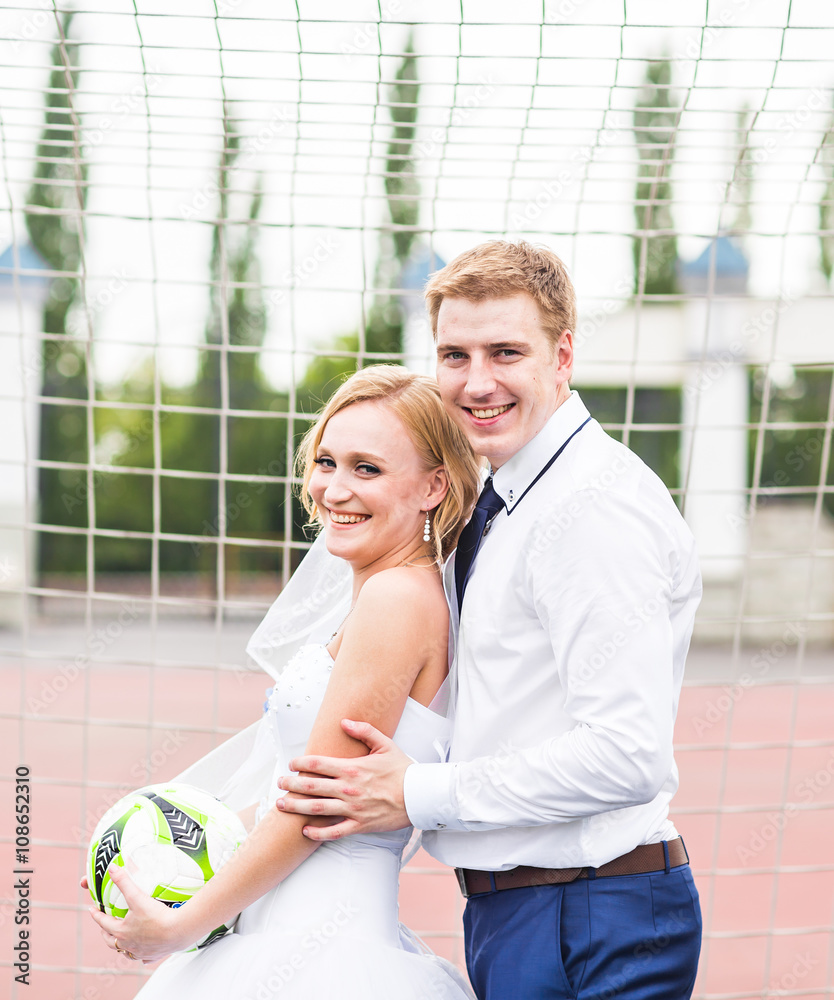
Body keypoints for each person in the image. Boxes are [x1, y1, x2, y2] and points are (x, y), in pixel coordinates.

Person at [276, 241, 704, 1000]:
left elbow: (627, 755)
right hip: (526, 910)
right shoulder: (502, 497)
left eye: (506, 352)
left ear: (562, 354)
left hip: (593, 914)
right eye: (454, 355)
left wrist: (418, 792)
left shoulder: (591, 508)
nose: (477, 383)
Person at [84, 365, 482, 999]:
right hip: (287, 929)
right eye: (327, 461)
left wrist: (182, 926)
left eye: (368, 468)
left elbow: (311, 808)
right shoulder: (382, 595)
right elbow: (288, 788)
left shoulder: (397, 601)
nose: (336, 489)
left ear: (434, 485)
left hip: (323, 949)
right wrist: (149, 848)